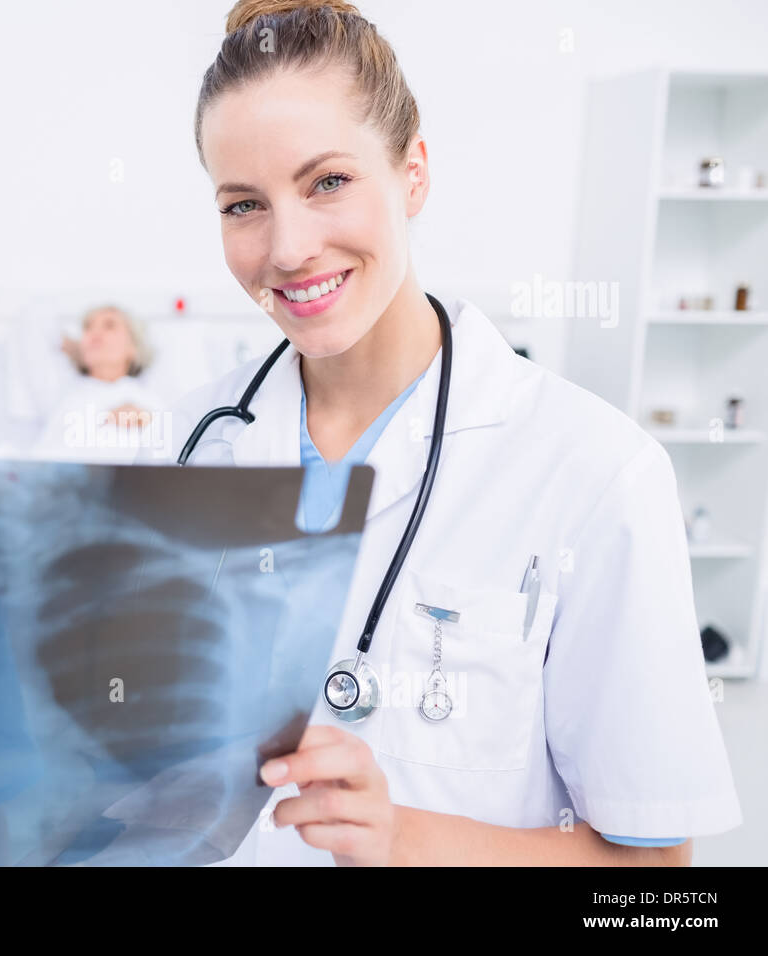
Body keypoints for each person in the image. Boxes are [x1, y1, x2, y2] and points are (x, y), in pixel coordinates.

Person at [156, 0, 740, 865]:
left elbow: (655, 887)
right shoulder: (180, 446)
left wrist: (404, 838)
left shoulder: (595, 471)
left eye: (328, 182)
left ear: (414, 172)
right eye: (244, 205)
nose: (288, 248)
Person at [31, 305, 164, 463]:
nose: (95, 333)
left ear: (133, 347)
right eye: (88, 327)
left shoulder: (148, 402)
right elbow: (33, 317)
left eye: (109, 325)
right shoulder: (61, 394)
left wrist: (150, 421)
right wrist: (76, 349)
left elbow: (176, 449)